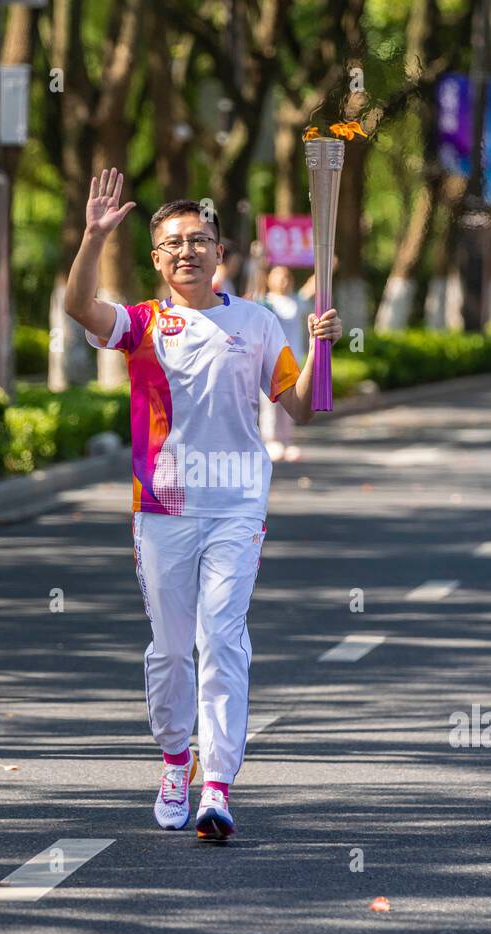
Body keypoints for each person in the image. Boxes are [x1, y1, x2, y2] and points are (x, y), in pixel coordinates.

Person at [63, 169, 340, 840]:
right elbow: (79, 307)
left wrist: (319, 348)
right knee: (169, 648)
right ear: (157, 259)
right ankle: (173, 755)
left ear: (221, 251)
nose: (187, 251)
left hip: (237, 503)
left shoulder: (257, 321)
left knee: (221, 638)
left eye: (199, 239)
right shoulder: (142, 325)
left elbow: (302, 406)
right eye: (172, 243)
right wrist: (94, 238)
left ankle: (216, 783)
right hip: (163, 506)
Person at [258, 265, 310, 463]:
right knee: (270, 403)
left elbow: (312, 288)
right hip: (269, 360)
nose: (283, 280)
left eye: (286, 276)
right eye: (278, 276)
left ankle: (287, 440)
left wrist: (327, 267)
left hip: (293, 359)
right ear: (268, 279)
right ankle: (270, 440)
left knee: (291, 402)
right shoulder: (264, 303)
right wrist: (256, 263)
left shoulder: (296, 302)